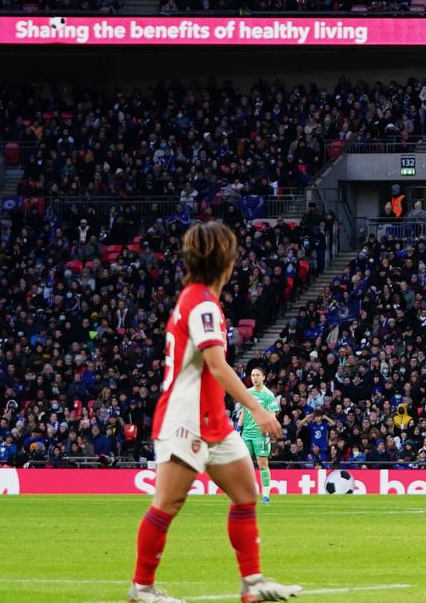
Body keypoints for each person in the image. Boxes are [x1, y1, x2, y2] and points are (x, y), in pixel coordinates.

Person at [129, 220, 300, 603]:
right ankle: (141, 588)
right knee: (168, 503)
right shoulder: (203, 304)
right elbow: (218, 365)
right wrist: (257, 408)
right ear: (226, 260)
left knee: (245, 492)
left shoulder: (197, 298)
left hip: (213, 418)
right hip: (186, 418)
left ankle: (252, 583)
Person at [237, 368, 283, 504]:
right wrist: (238, 429)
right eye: (252, 375)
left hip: (260, 435)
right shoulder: (247, 393)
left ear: (263, 377)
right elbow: (243, 412)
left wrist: (267, 431)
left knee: (263, 464)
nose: (254, 378)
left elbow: (272, 416)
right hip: (246, 434)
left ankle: (266, 495)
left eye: (257, 375)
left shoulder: (268, 395)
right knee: (243, 464)